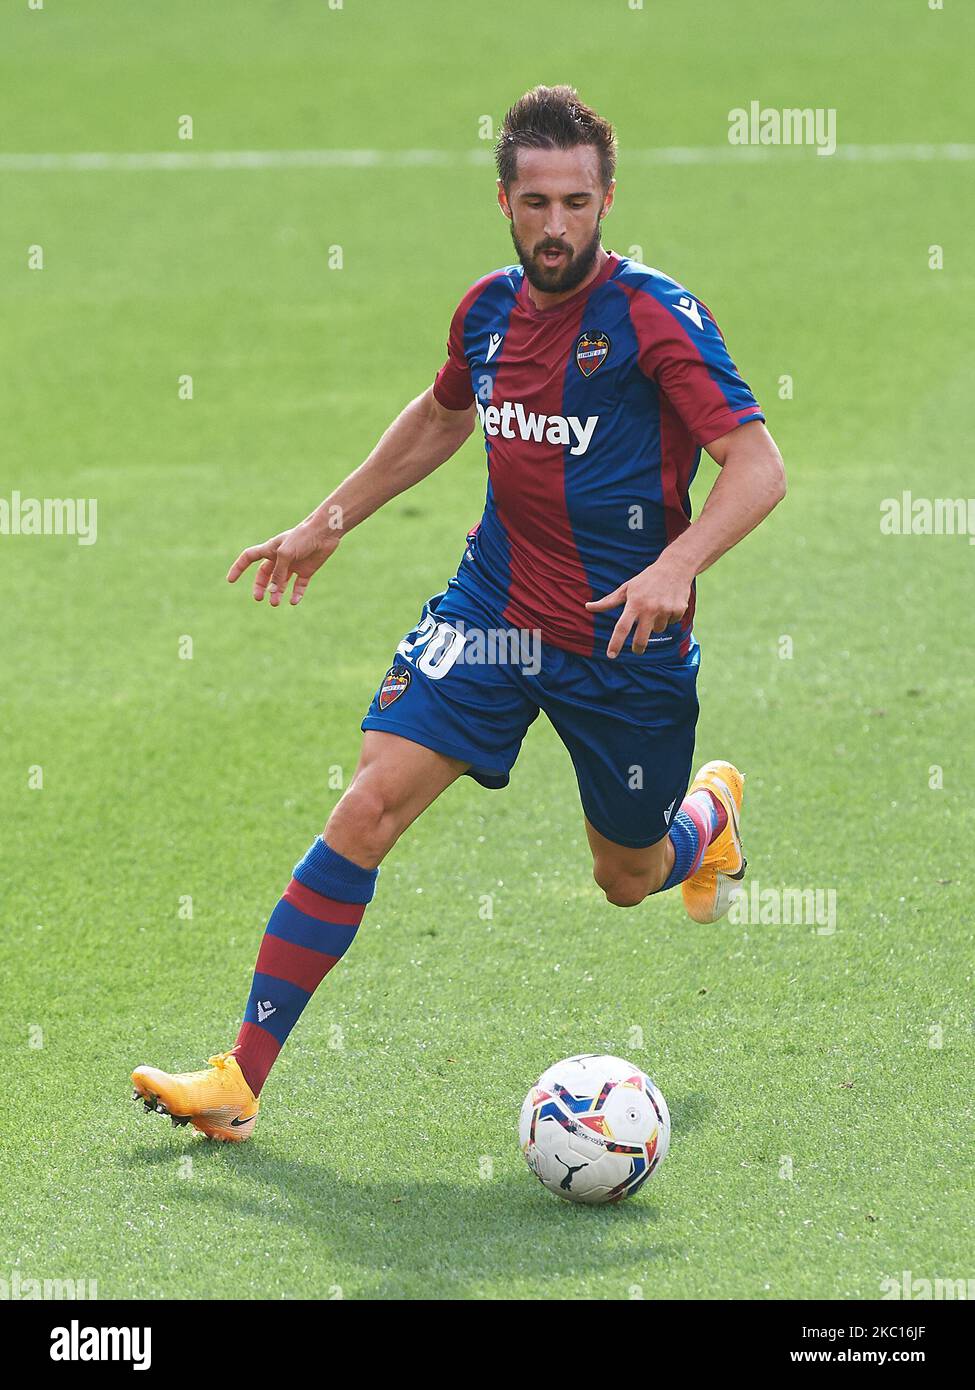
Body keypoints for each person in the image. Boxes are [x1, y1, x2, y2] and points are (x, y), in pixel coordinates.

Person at [132, 85, 786, 1142]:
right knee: (367, 807)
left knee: (627, 877)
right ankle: (237, 1079)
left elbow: (758, 465)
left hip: (623, 639)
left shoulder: (654, 314)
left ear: (608, 198)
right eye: (536, 202)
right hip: (492, 613)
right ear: (505, 202)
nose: (558, 225)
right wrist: (327, 520)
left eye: (578, 201)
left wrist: (678, 562)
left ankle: (706, 820)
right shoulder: (487, 311)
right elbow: (445, 414)